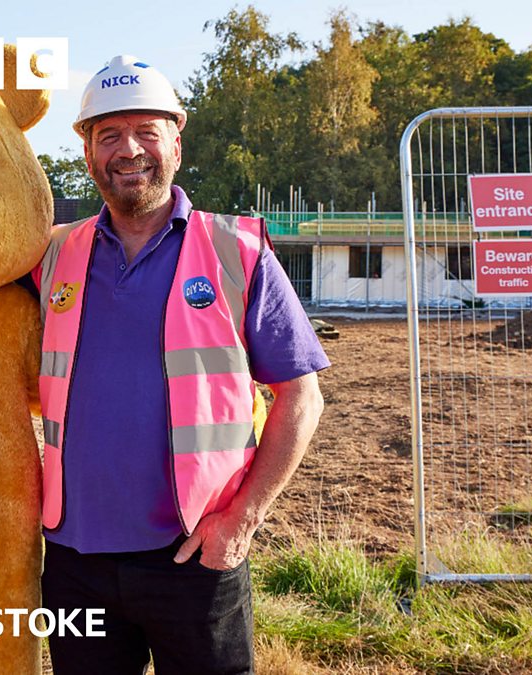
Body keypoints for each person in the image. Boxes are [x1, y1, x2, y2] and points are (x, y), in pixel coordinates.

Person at [34, 55, 328, 675]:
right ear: (87, 151)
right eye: (108, 135)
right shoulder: (54, 254)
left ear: (177, 136)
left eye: (146, 130)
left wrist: (242, 520)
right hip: (72, 561)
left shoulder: (237, 251)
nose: (128, 150)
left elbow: (301, 398)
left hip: (195, 554)